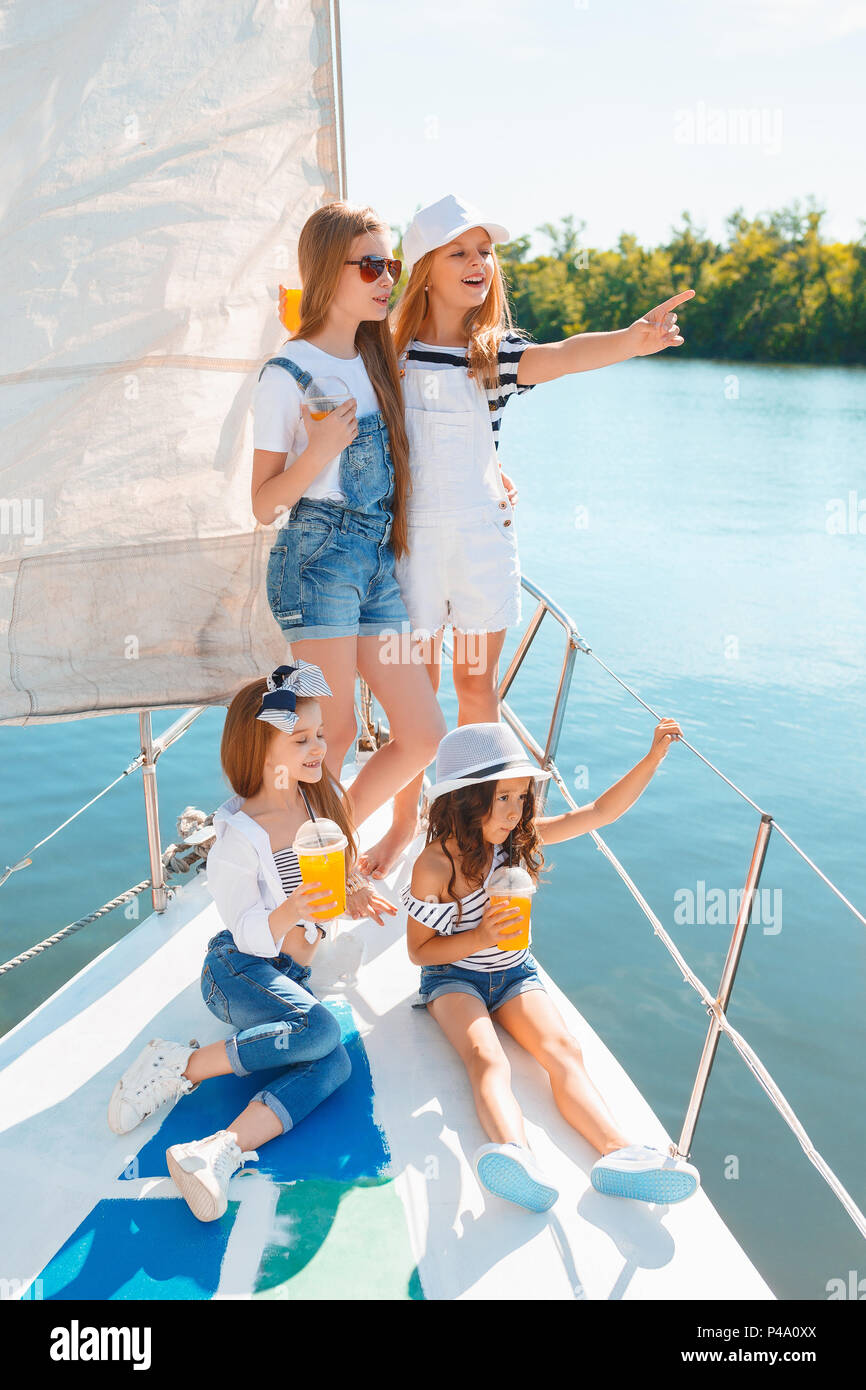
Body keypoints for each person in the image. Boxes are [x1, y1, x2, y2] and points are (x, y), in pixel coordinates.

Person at [360, 193, 694, 879]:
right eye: (460, 251)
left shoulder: (493, 354)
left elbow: (566, 354)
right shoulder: (384, 351)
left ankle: (474, 835)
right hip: (411, 543)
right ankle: (400, 833)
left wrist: (634, 339)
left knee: (475, 687)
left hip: (481, 541)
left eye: (485, 251)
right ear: (424, 265)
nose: (478, 262)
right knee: (415, 702)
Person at [108, 661, 395, 1222]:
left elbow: (331, 873)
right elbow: (247, 932)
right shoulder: (238, 836)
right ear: (262, 753)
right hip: (236, 969)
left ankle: (217, 1151)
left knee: (332, 1064)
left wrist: (353, 889)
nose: (320, 747)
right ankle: (180, 1066)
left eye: (319, 734)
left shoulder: (317, 799)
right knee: (319, 1031)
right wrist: (291, 909)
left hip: (291, 980)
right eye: (301, 739)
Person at [400, 718, 701, 1212]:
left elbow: (601, 812)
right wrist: (477, 937)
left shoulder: (518, 839)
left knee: (564, 1049)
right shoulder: (436, 865)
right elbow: (420, 951)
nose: (516, 810)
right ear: (467, 798)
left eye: (522, 797)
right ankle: (513, 1153)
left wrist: (653, 758)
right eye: (503, 798)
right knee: (486, 1056)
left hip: (515, 972)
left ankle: (618, 1153)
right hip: (453, 976)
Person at [251, 200, 445, 837]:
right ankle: (305, 870)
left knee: (421, 733)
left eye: (389, 264)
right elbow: (263, 503)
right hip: (317, 558)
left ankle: (332, 842)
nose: (387, 278)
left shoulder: (377, 359)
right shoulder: (287, 373)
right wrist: (322, 452)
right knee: (330, 734)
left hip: (376, 559)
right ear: (328, 273)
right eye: (371, 266)